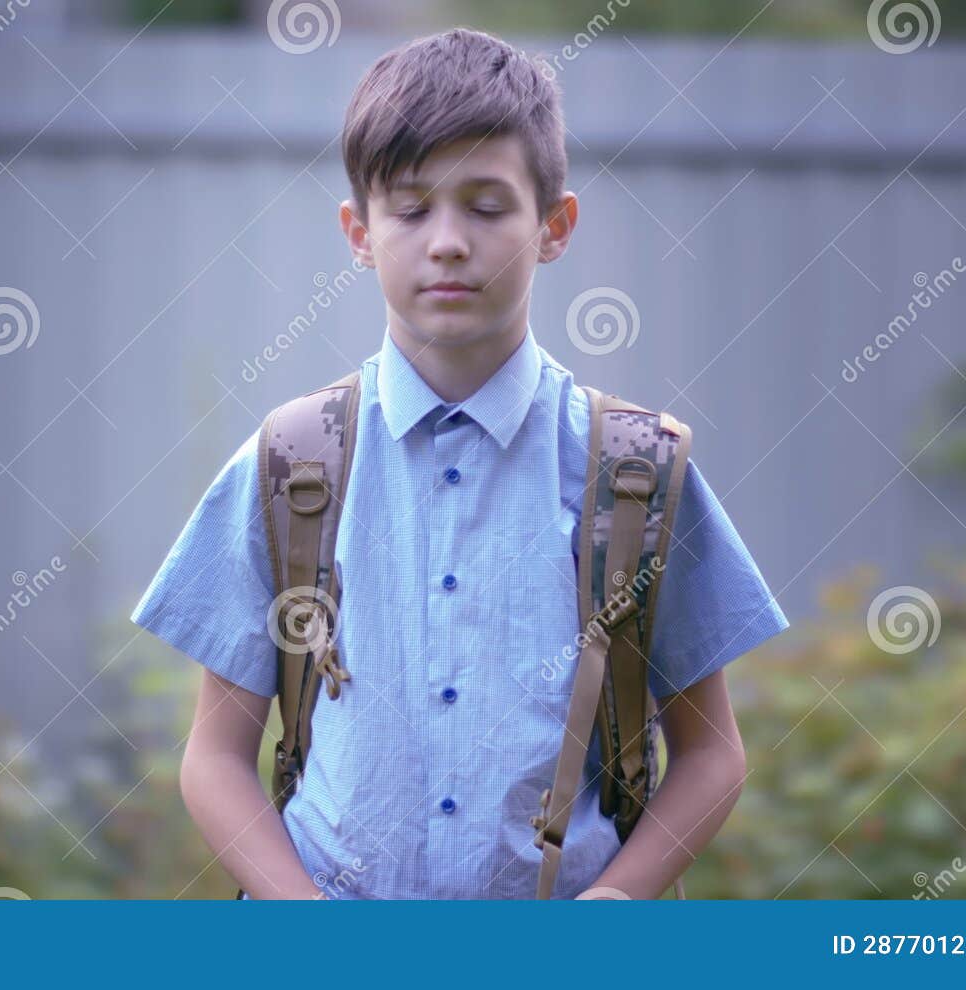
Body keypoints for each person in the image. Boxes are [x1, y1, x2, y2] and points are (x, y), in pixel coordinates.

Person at [132, 27, 788, 899]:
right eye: (410, 209)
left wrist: (613, 904)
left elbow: (711, 754)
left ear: (554, 226)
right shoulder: (292, 465)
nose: (447, 242)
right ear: (358, 233)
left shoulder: (635, 474)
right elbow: (215, 757)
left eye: (486, 207)